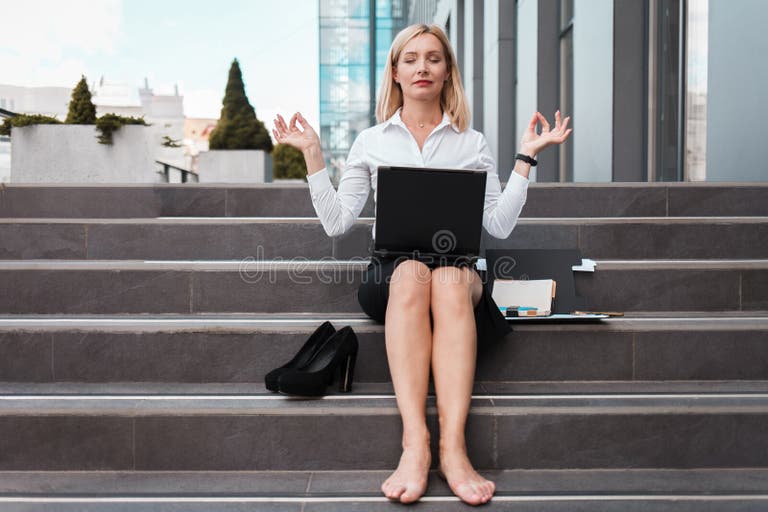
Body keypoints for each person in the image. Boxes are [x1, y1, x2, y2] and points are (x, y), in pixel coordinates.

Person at [273, 23, 572, 506]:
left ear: (446, 70)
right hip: (393, 273)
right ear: (395, 71)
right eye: (410, 58)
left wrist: (525, 159)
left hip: (457, 273)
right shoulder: (370, 141)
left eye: (434, 58)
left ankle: (454, 450)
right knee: (413, 275)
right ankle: (416, 443)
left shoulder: (471, 142)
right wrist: (312, 155)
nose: (422, 67)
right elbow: (336, 223)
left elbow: (497, 226)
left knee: (451, 280)